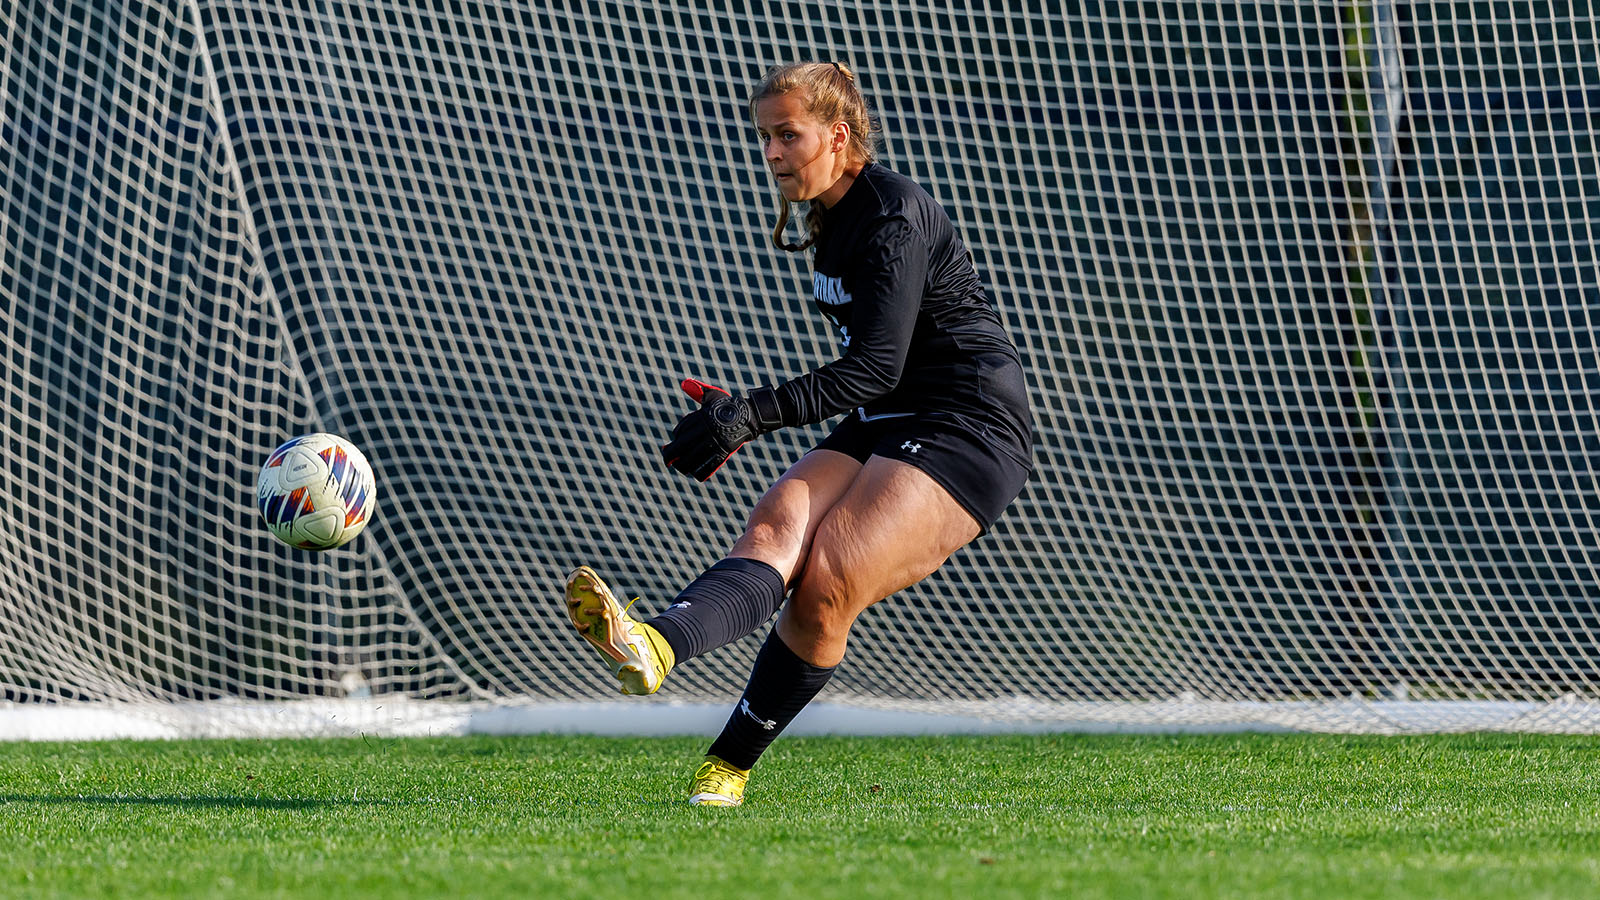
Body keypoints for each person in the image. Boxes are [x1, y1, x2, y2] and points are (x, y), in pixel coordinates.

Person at [565, 60, 1033, 806]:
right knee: (777, 522)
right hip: (891, 412)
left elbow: (876, 367)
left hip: (967, 421)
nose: (772, 153)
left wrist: (749, 414)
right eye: (765, 137)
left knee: (828, 578)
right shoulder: (829, 217)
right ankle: (654, 643)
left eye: (788, 135)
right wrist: (745, 412)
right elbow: (877, 379)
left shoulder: (890, 213)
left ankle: (728, 767)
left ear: (838, 135)